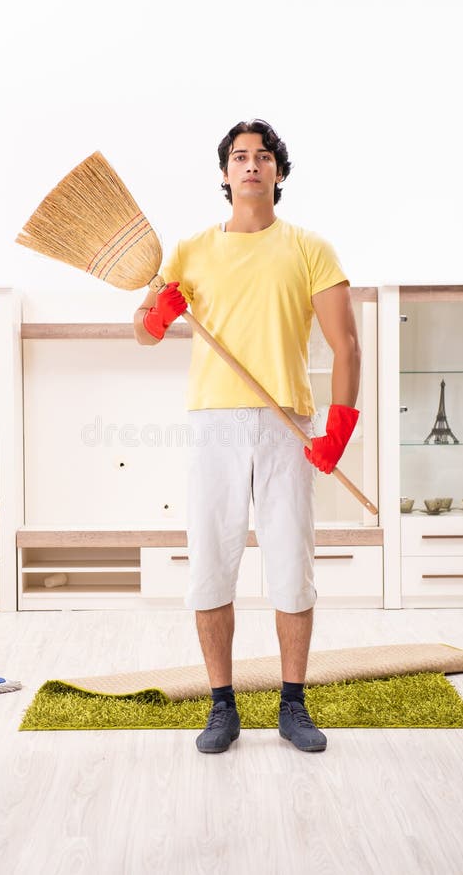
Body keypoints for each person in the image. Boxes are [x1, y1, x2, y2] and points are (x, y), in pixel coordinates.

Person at [133, 119, 361, 754]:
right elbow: (144, 333)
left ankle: (292, 704)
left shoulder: (311, 248)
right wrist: (157, 311)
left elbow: (346, 344)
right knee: (211, 565)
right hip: (214, 425)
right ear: (225, 175)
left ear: (279, 173)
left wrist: (339, 424)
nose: (252, 165)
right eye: (240, 156)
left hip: (288, 423)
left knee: (291, 566)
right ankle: (221, 706)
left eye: (263, 156)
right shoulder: (189, 251)